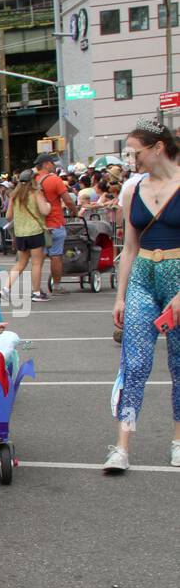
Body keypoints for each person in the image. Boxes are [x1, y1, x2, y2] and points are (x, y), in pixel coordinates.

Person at [104, 118, 180, 473]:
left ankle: (178, 441)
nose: (130, 158)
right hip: (143, 277)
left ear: (158, 148)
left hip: (178, 279)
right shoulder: (134, 189)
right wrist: (120, 296)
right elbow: (129, 248)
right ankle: (122, 445)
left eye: (135, 151)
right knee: (133, 364)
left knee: (179, 366)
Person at [33, 152, 78, 294]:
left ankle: (36, 289)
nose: (54, 165)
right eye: (52, 163)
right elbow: (68, 200)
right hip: (54, 223)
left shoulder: (32, 181)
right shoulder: (55, 180)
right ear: (46, 164)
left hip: (37, 224)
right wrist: (74, 211)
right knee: (56, 256)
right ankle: (57, 286)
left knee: (37, 260)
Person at [4, 170, 51, 303]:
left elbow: (8, 216)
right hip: (35, 232)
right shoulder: (36, 193)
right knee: (36, 263)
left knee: (20, 263)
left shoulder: (14, 196)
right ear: (33, 180)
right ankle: (36, 292)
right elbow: (44, 211)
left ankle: (6, 288)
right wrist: (49, 205)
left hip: (20, 233)